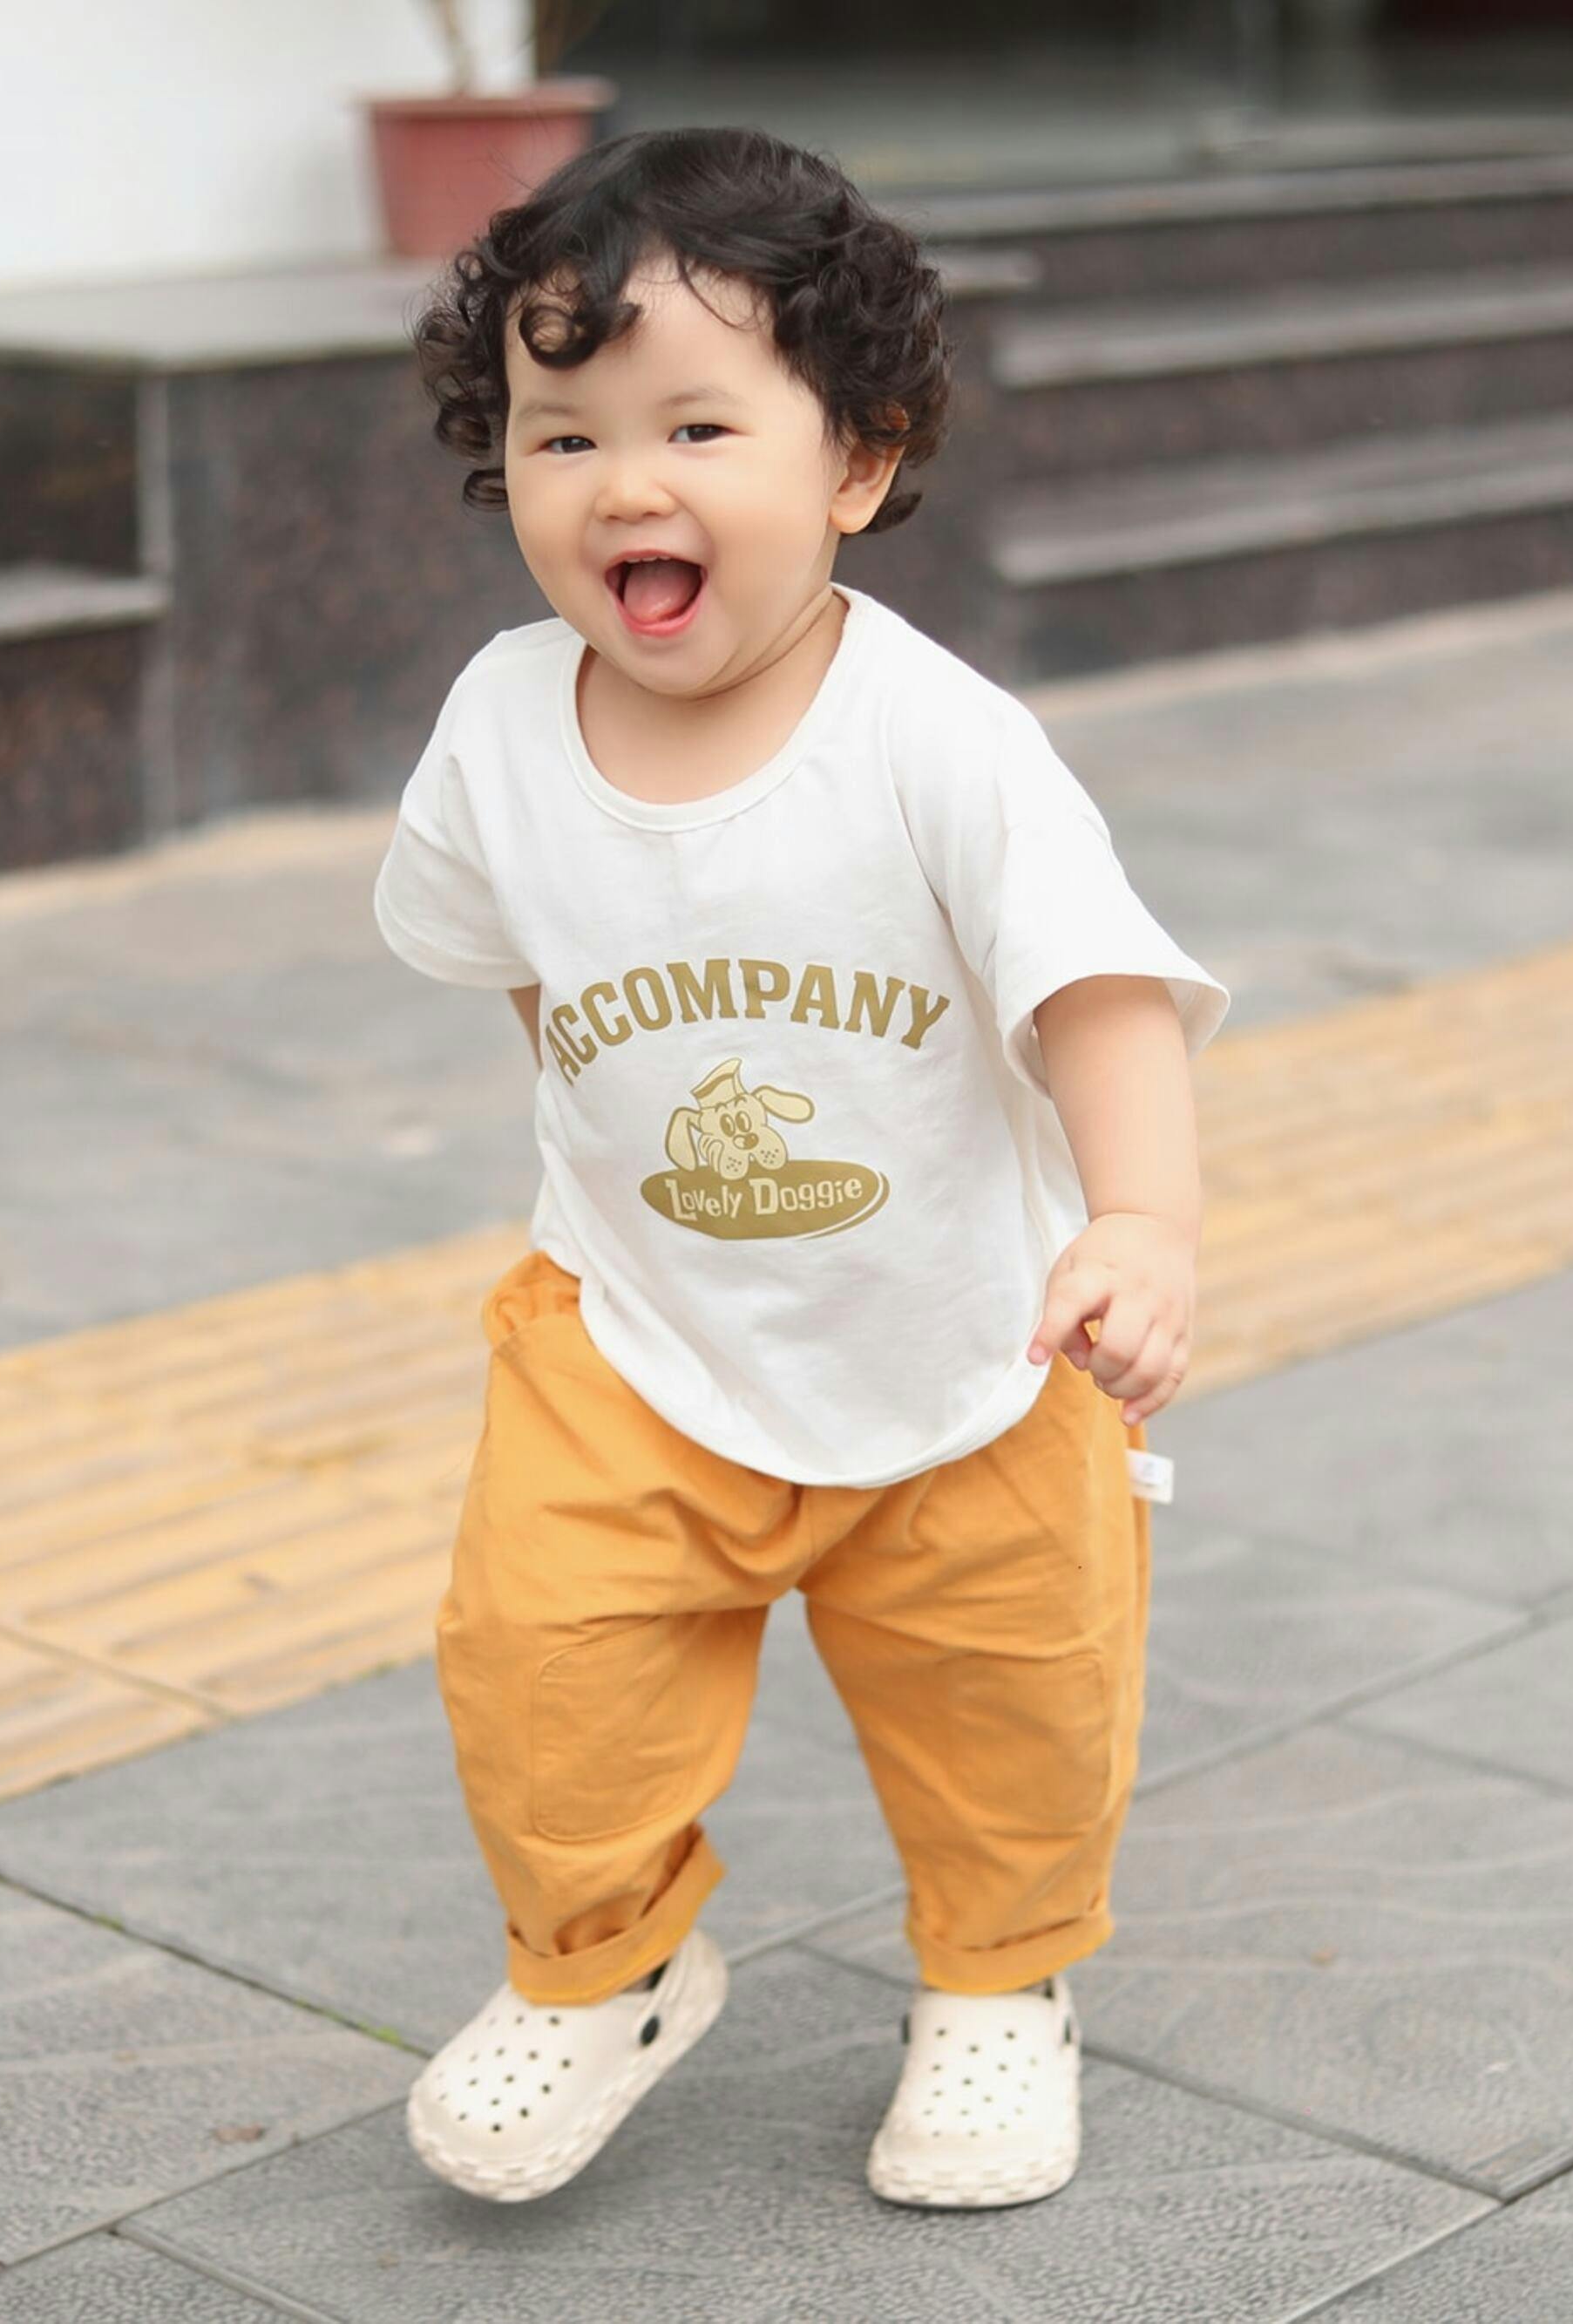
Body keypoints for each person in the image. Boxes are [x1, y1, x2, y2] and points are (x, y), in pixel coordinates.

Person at [370, 124, 1226, 2212]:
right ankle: (605, 1964)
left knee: (1012, 1703)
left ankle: (998, 1983)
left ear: (857, 459)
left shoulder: (938, 741)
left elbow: (1096, 991)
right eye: (561, 436)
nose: (621, 486)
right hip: (634, 1333)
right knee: (541, 1666)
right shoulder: (497, 728)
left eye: (695, 427)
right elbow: (537, 975)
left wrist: (1136, 1220)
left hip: (966, 1347)